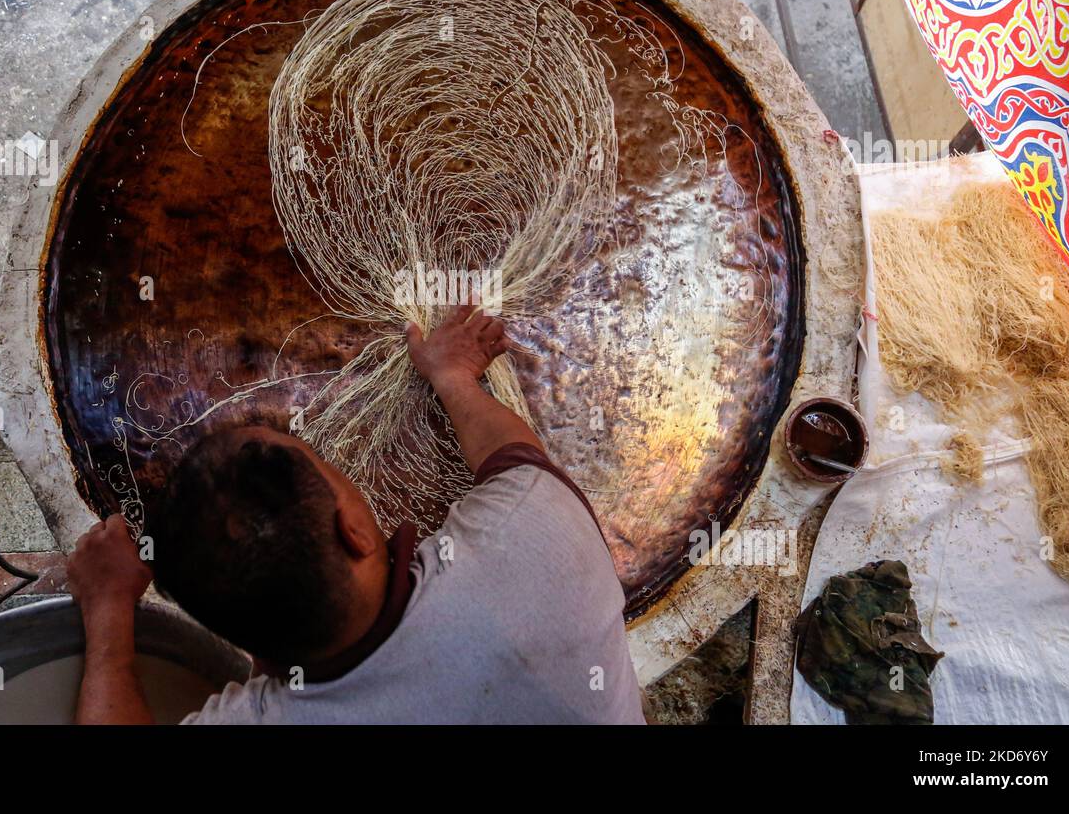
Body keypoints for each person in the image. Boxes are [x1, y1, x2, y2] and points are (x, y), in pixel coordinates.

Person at [67, 305, 644, 723]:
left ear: (240, 644)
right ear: (355, 531)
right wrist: (453, 377)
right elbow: (513, 456)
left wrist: (109, 603)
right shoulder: (532, 529)